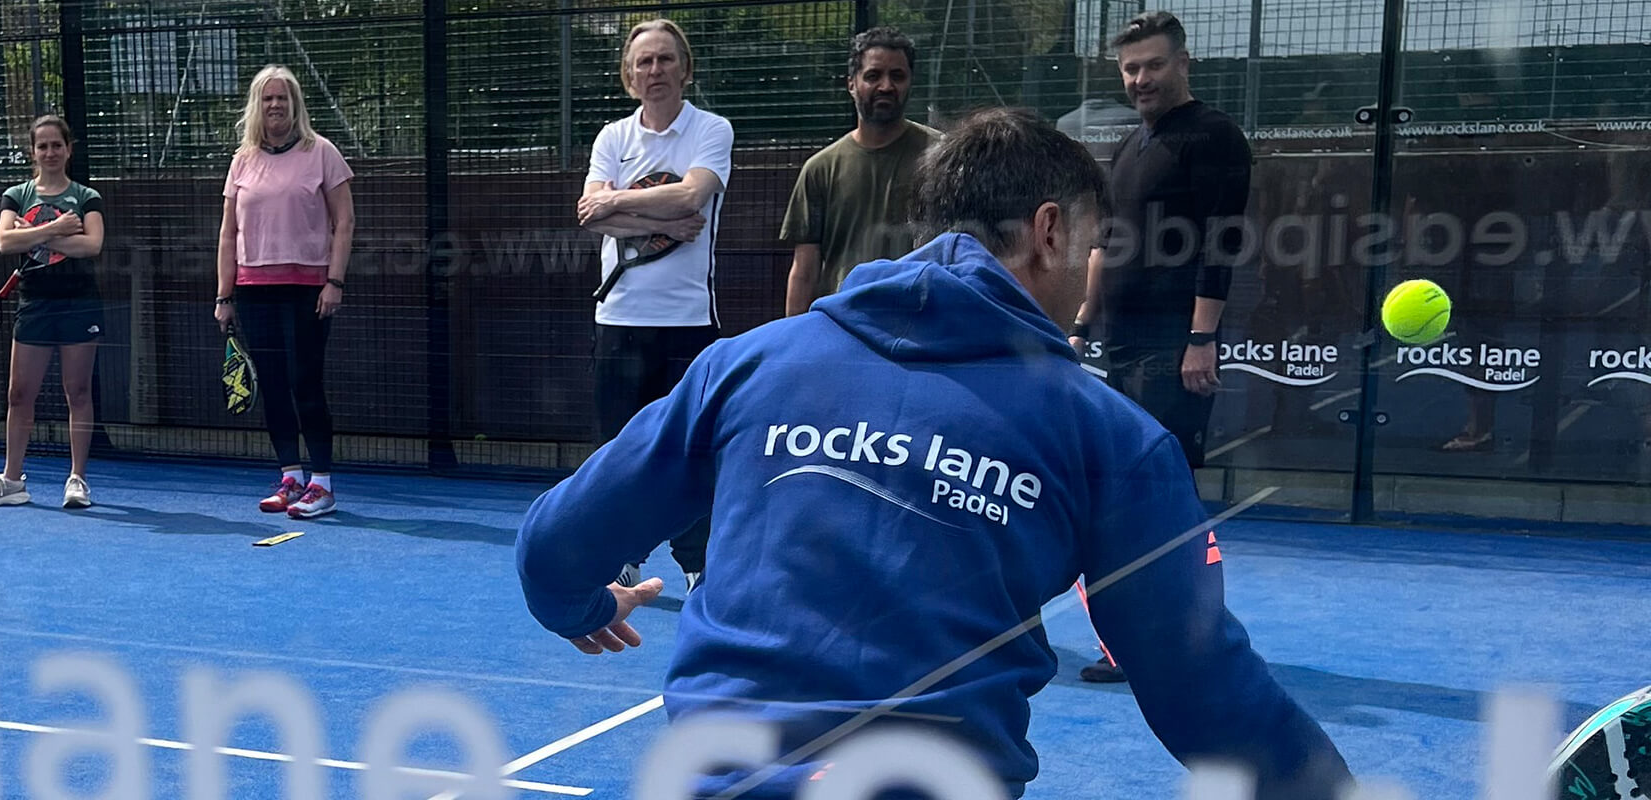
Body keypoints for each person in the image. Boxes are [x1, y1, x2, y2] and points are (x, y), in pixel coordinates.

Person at [514, 107, 1350, 799]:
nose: (1094, 272)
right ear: (1049, 233)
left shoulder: (748, 364)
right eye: (1096, 243)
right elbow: (1210, 699)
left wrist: (580, 609)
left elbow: (554, 549)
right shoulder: (1112, 438)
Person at [1069, 10, 1253, 683]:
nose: (1141, 78)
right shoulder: (1129, 146)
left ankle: (1173, 635)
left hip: (1174, 347)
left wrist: (1200, 337)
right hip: (1119, 344)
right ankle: (1149, 632)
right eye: (1130, 68)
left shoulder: (1214, 137)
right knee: (1129, 495)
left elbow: (1221, 242)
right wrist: (1081, 325)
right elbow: (1105, 245)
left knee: (1158, 496)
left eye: (1153, 65)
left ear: (1183, 63)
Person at [575, 18, 731, 591]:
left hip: (689, 323)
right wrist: (651, 216)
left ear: (684, 69)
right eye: (644, 62)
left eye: (665, 60)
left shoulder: (712, 129)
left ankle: (698, 565)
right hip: (617, 321)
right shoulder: (612, 139)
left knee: (691, 451)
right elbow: (591, 215)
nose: (655, 71)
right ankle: (623, 557)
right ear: (629, 75)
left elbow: (693, 196)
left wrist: (618, 210)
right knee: (619, 452)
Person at [213, 64, 355, 520]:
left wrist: (334, 281)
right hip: (254, 290)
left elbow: (345, 222)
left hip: (309, 289)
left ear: (296, 104)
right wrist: (224, 294)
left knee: (305, 383)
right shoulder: (242, 160)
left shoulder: (322, 153)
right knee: (273, 386)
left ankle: (323, 484)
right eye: (268, 98)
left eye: (283, 97)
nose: (276, 105)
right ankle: (290, 477)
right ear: (257, 105)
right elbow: (227, 233)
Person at [0, 115, 106, 509]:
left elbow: (92, 245)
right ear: (33, 151)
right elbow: (5, 241)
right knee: (18, 393)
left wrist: (37, 235)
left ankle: (77, 479)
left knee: (77, 391)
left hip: (79, 302)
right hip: (34, 303)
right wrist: (57, 228)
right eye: (42, 146)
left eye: (56, 145)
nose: (49, 152)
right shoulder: (17, 195)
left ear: (68, 149)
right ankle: (12, 480)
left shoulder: (86, 196)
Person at [780, 26, 940, 317]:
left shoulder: (942, 156)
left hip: (921, 319)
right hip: (844, 322)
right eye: (873, 75)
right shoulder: (821, 169)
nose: (886, 86)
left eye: (898, 76)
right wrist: (791, 342)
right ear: (851, 84)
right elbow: (804, 270)